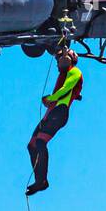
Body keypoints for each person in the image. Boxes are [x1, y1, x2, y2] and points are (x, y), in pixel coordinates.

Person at [26, 49, 83, 196]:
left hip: (59, 113)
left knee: (40, 143)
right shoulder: (63, 75)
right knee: (31, 145)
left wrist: (50, 98)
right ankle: (40, 180)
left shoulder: (75, 72)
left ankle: (42, 181)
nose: (57, 64)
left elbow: (66, 89)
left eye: (59, 60)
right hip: (50, 114)